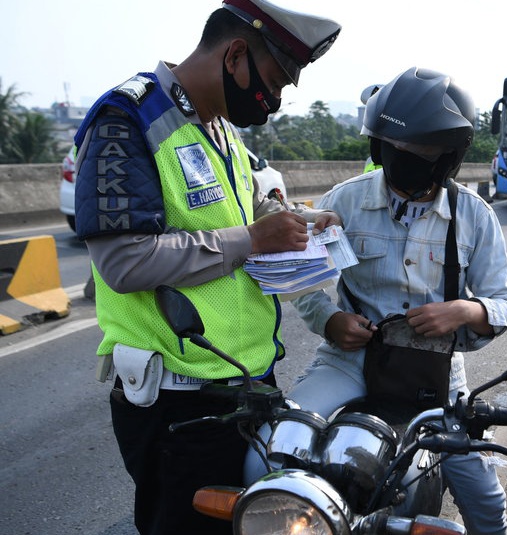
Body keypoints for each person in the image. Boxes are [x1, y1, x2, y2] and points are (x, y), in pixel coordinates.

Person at [72, 2, 341, 533]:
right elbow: (124, 261)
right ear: (236, 55)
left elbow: (241, 214)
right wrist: (251, 238)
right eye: (274, 81)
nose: (277, 100)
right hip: (178, 404)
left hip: (245, 387)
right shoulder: (128, 119)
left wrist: (294, 222)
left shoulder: (222, 133)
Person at [286, 67, 507, 535]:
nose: (407, 161)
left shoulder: (473, 216)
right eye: (398, 151)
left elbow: (503, 302)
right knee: (282, 443)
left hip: (435, 373)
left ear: (447, 159)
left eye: (423, 154)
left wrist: (464, 311)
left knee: (485, 500)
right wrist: (331, 320)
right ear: (379, 147)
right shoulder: (343, 202)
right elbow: (306, 282)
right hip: (347, 360)